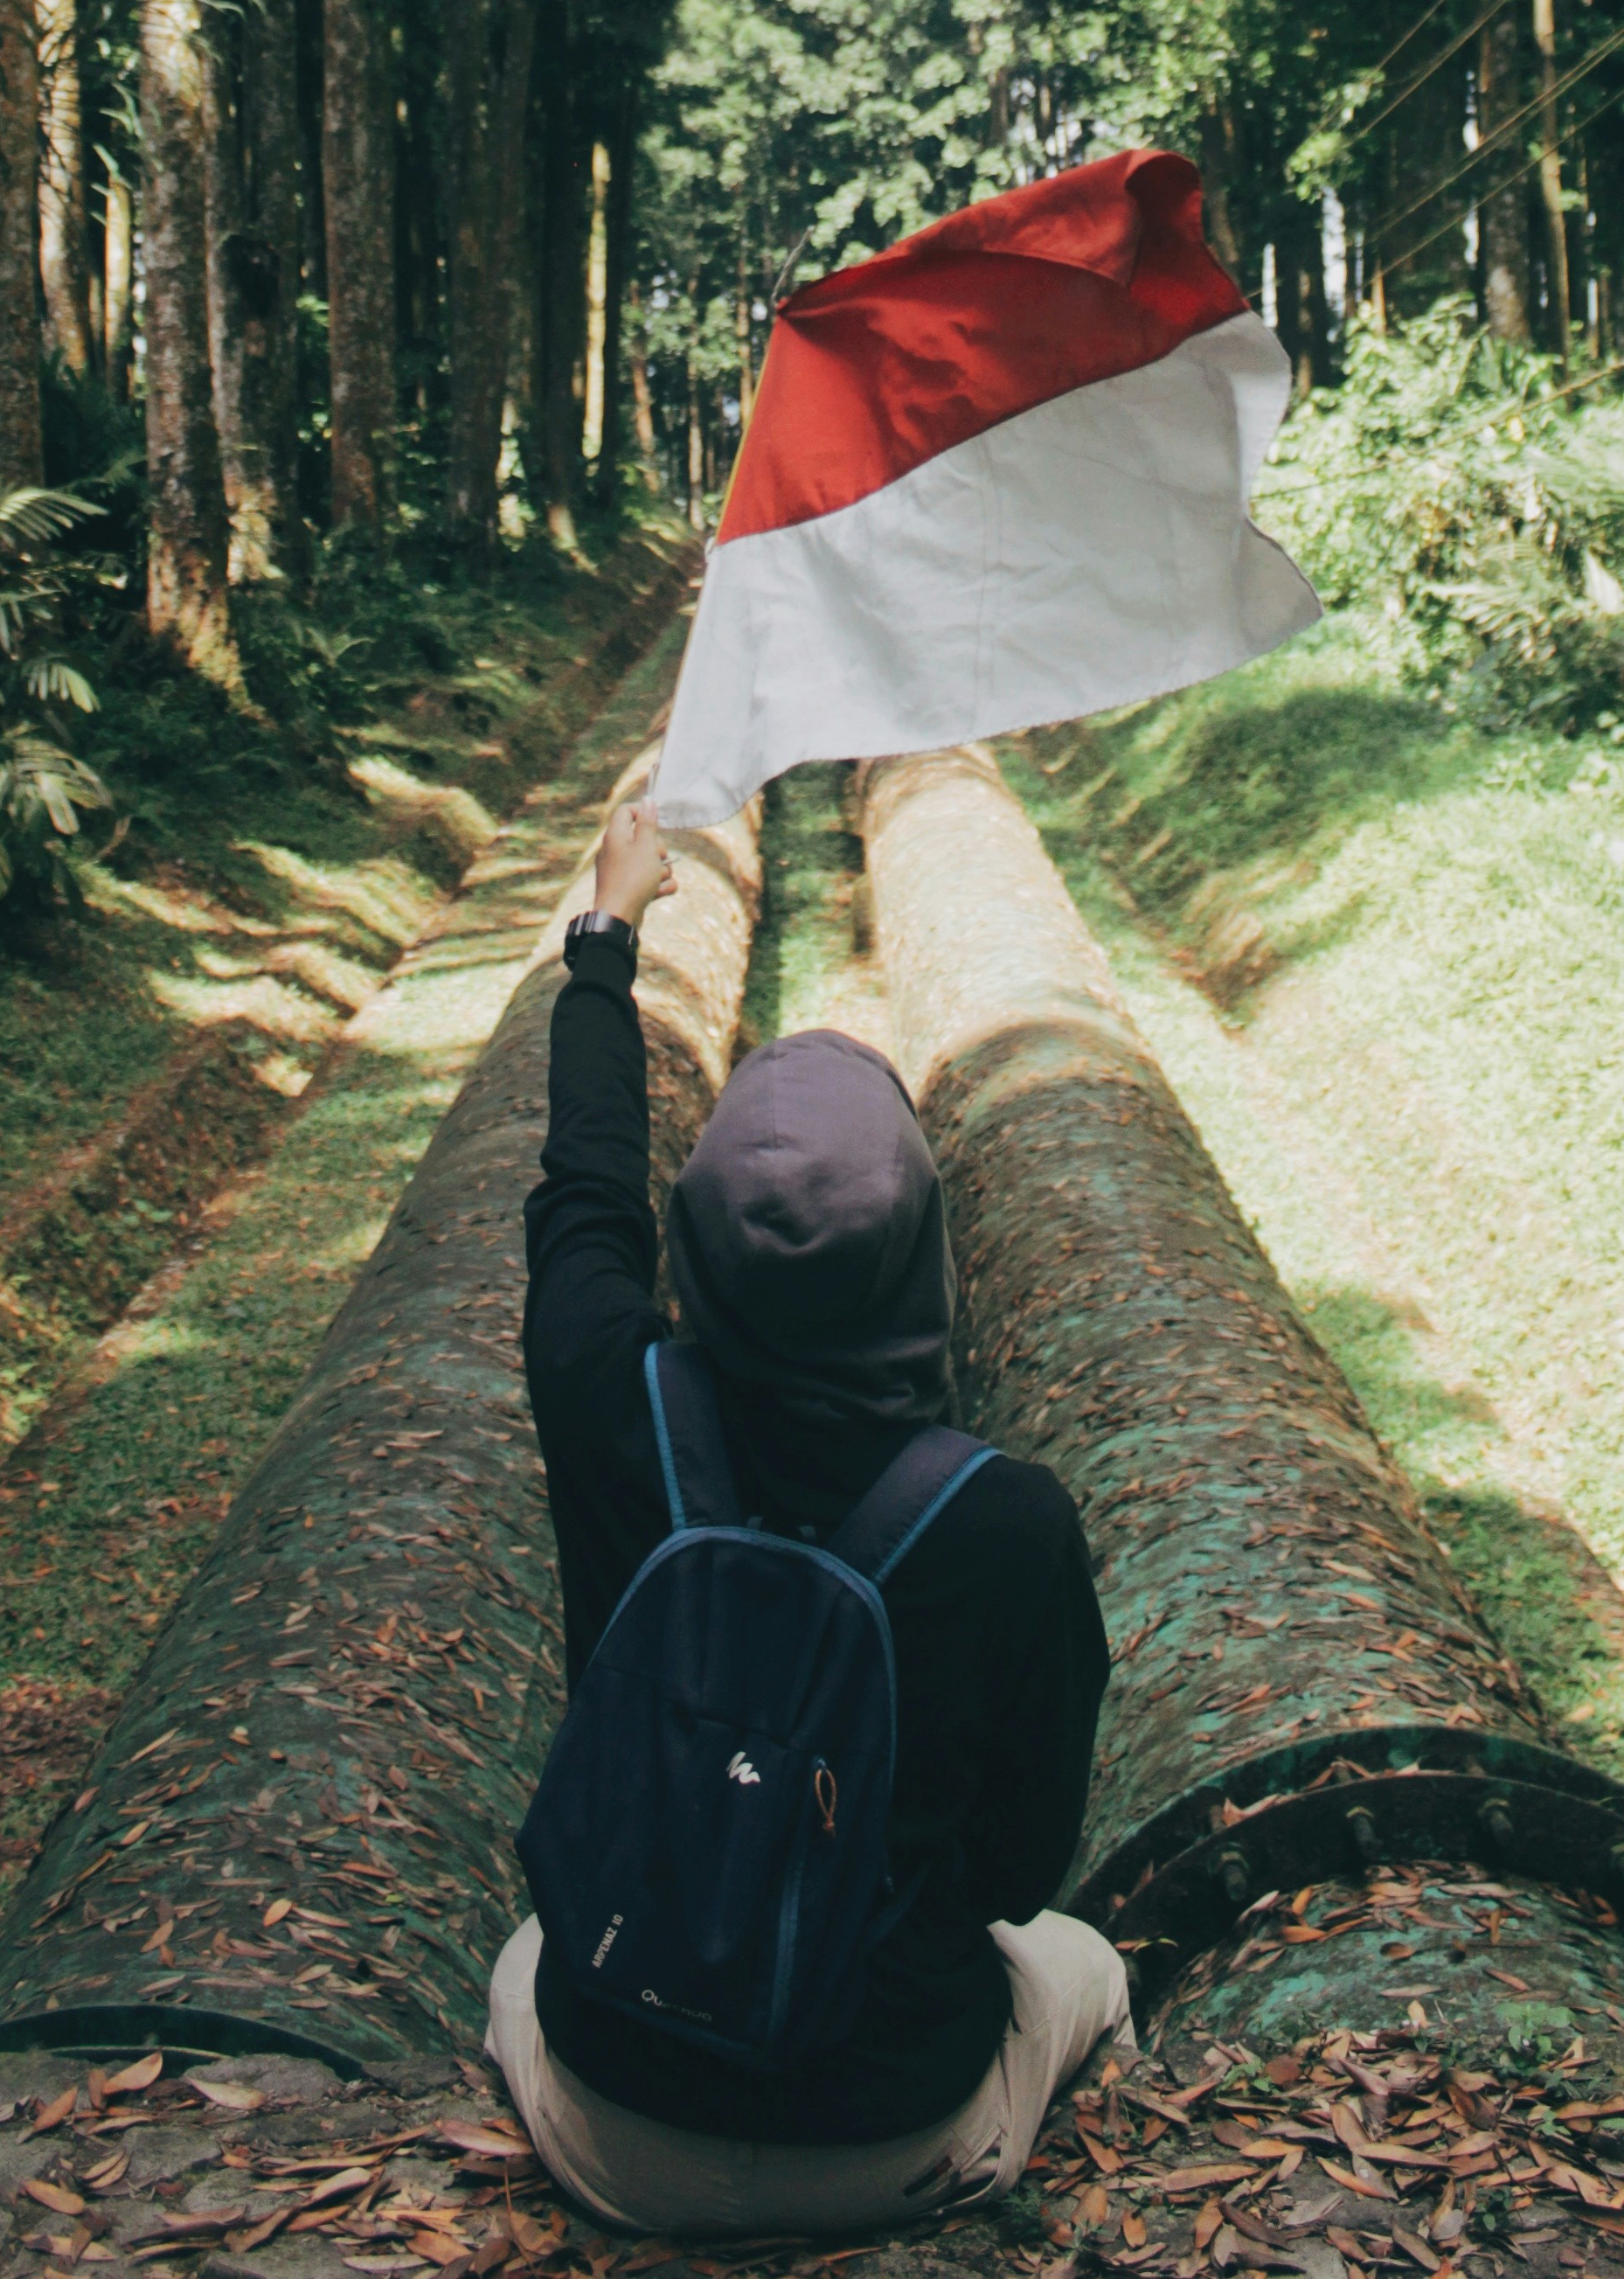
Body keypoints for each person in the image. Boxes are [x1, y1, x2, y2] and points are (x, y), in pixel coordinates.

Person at [489, 787, 1132, 2238]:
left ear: (698, 1247)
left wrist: (609, 926)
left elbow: (580, 1185)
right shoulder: (1009, 1522)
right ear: (923, 1254)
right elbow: (1021, 1872)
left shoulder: (611, 1401)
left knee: (526, 1949)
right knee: (1085, 1963)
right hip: (890, 2128)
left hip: (617, 2123)